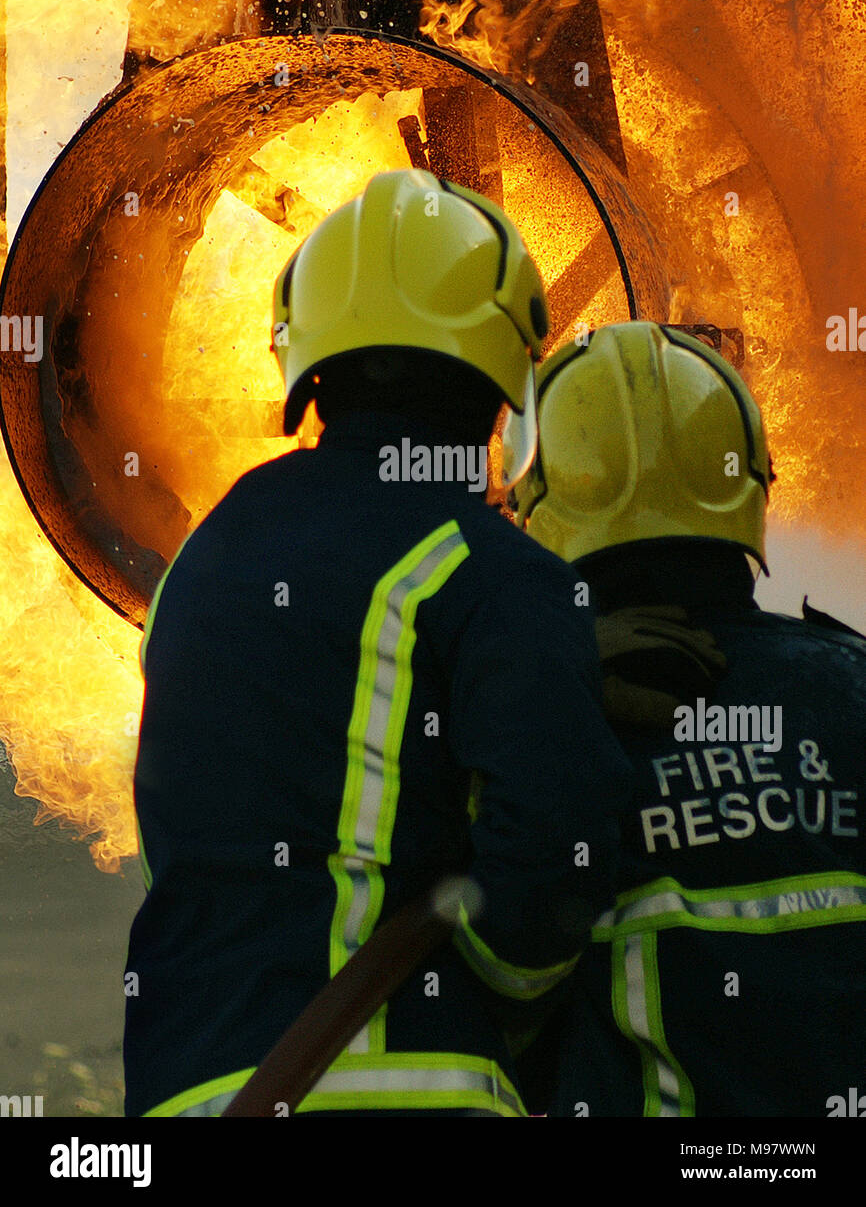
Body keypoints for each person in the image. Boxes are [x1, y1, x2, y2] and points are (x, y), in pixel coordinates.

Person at [122, 169, 632, 1118]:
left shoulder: (203, 555)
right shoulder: (492, 568)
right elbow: (554, 849)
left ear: (309, 360)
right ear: (502, 376)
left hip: (184, 1099)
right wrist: (502, 997)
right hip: (403, 1094)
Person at [508, 320, 866, 1118]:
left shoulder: (539, 739)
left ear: (540, 508)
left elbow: (494, 1003)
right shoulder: (852, 690)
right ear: (752, 486)